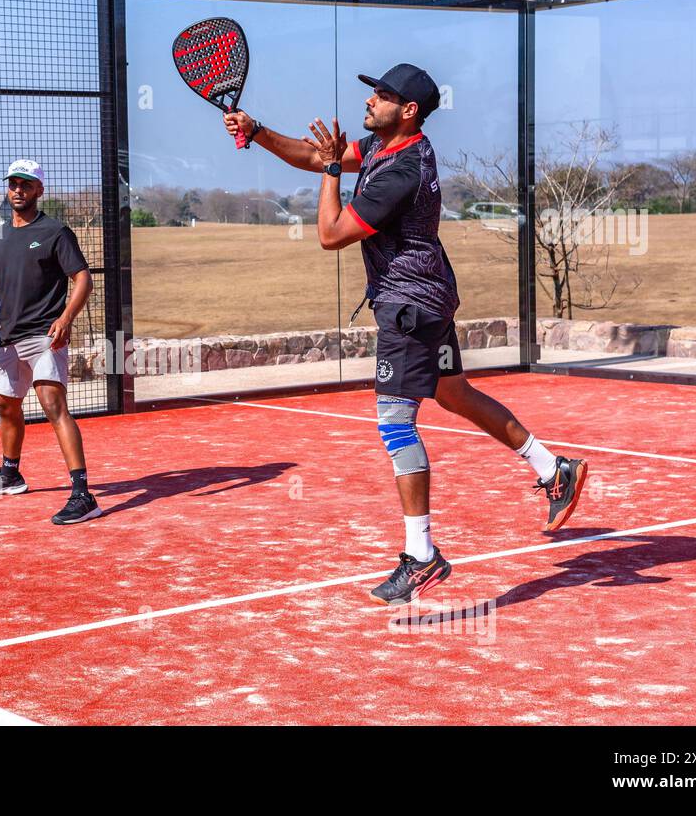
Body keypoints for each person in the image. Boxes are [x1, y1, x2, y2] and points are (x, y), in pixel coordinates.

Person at [224, 63, 587, 606]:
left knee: (395, 424)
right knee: (453, 392)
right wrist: (257, 132)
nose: (371, 100)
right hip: (429, 296)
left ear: (409, 110)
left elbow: (330, 235)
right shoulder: (382, 148)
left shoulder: (402, 170)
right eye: (373, 91)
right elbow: (311, 154)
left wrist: (330, 174)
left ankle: (421, 555)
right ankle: (551, 467)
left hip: (409, 306)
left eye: (383, 95)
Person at [0, 159, 102, 525]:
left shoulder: (57, 232)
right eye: (13, 184)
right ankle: (10, 475)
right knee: (7, 407)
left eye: (26, 184)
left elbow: (83, 279)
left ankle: (83, 494)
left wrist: (65, 318)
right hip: (8, 336)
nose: (18, 190)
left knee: (53, 406)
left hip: (44, 335)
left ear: (39, 190)